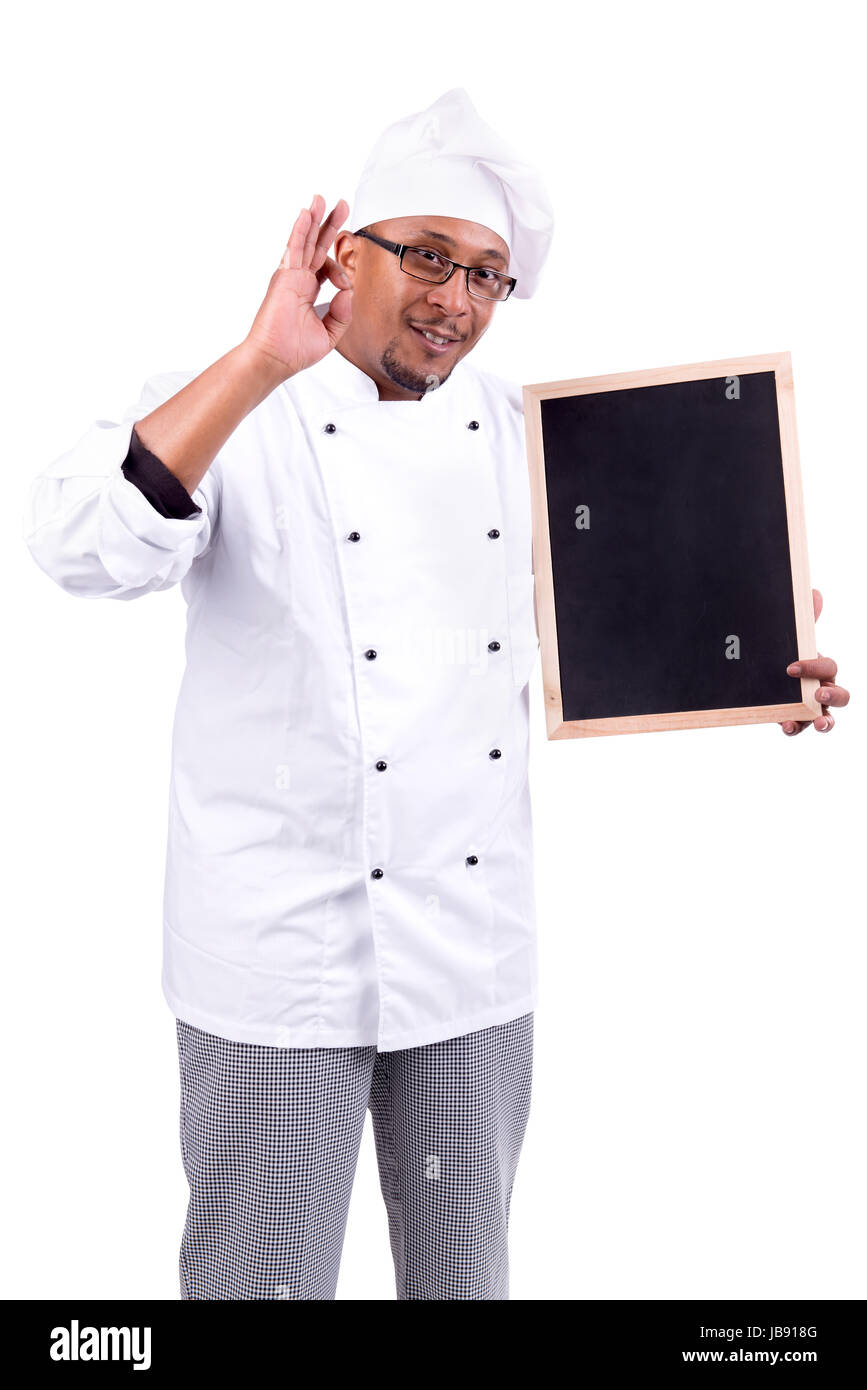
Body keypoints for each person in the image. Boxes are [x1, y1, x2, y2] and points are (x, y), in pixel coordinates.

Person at [22, 88, 556, 1301]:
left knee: (464, 1287)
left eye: (487, 275)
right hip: (279, 961)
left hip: (471, 958)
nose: (457, 300)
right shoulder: (232, 408)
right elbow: (77, 546)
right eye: (428, 256)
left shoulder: (522, 431)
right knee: (256, 1286)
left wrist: (758, 671)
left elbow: (634, 623)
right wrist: (260, 357)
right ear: (341, 251)